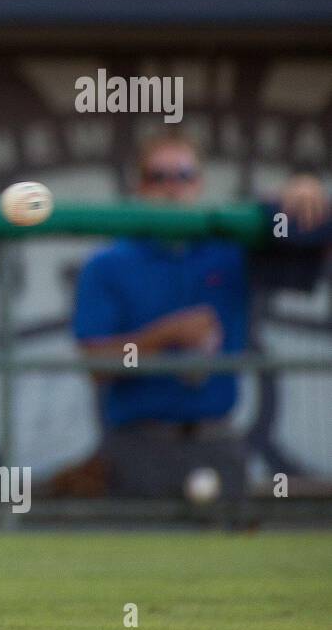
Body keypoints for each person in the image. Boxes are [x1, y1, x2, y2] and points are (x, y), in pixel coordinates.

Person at [72, 133, 331, 500]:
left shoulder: (230, 248)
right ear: (139, 186)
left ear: (199, 183)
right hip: (138, 445)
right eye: (158, 177)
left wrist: (302, 192)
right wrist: (166, 336)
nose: (172, 187)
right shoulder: (108, 263)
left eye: (183, 176)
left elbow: (308, 242)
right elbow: (95, 366)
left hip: (218, 440)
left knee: (236, 554)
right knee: (134, 554)